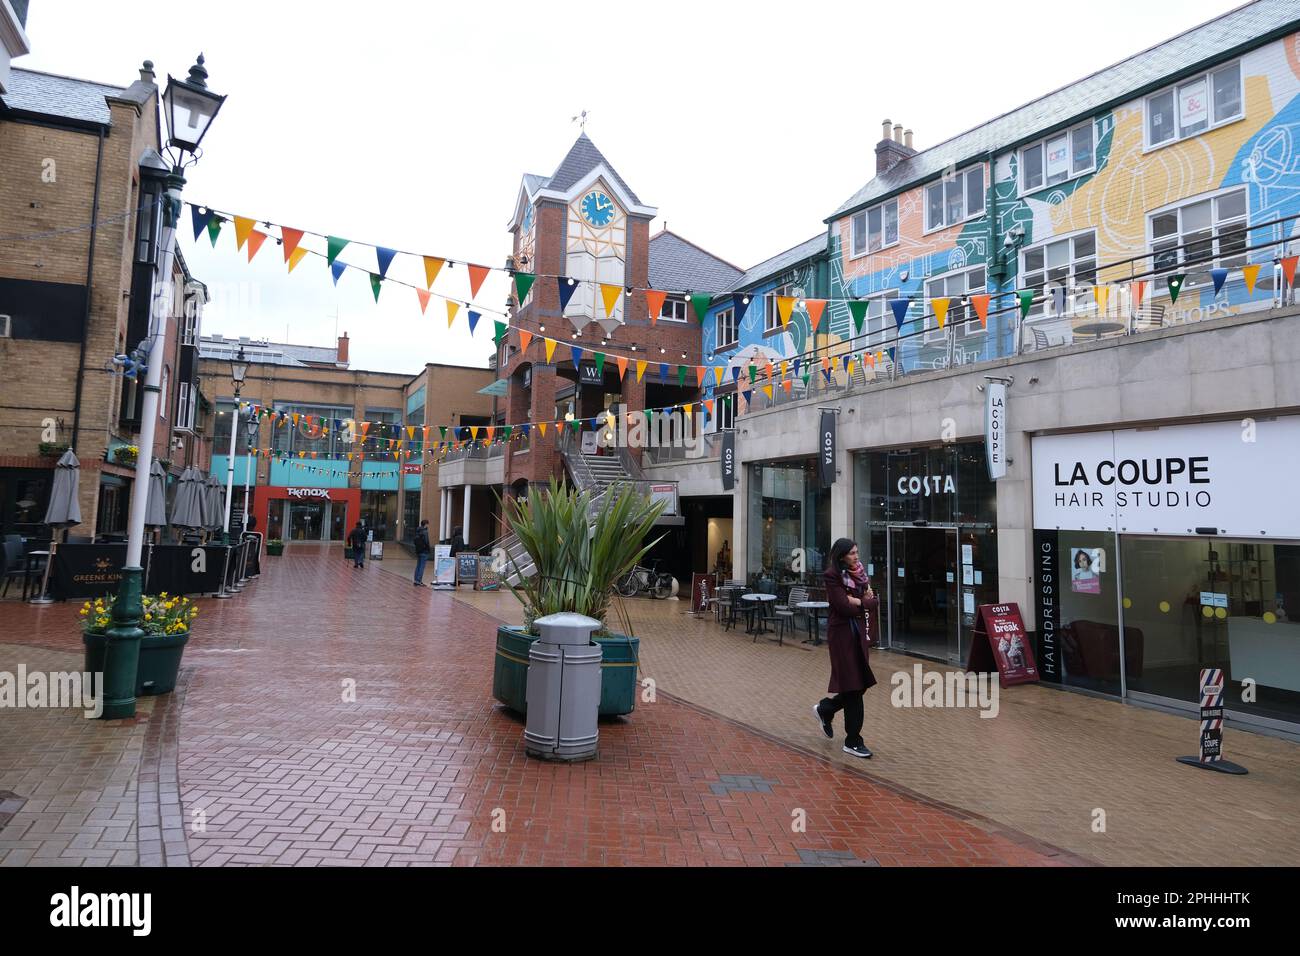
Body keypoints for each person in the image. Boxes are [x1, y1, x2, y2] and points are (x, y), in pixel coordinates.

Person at [813, 537, 879, 758]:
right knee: (853, 687)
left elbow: (873, 600)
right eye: (852, 553)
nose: (856, 557)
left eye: (857, 552)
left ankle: (826, 709)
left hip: (858, 634)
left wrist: (858, 601)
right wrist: (862, 602)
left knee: (859, 686)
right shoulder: (832, 576)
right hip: (842, 636)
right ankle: (853, 740)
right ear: (841, 555)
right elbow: (842, 606)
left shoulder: (860, 574)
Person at [413, 519, 431, 587]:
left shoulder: (417, 531)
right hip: (424, 551)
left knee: (418, 565)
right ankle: (419, 581)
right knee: (422, 566)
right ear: (425, 524)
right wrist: (428, 549)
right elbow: (426, 541)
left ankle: (415, 580)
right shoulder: (424, 531)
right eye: (427, 524)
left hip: (418, 550)